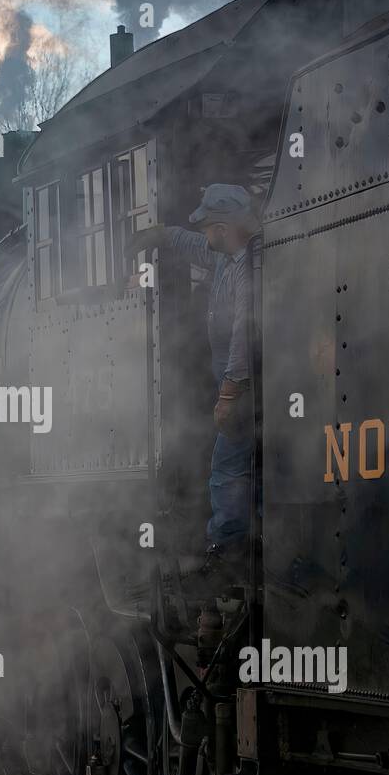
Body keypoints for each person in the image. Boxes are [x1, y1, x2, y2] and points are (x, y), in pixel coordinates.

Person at [131, 184, 259, 580]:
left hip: (243, 384)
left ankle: (227, 546)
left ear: (222, 228)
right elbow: (192, 245)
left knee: (228, 465)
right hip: (230, 376)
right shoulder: (224, 256)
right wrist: (161, 234)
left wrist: (230, 392)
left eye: (207, 227)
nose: (204, 234)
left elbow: (244, 330)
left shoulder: (246, 267)